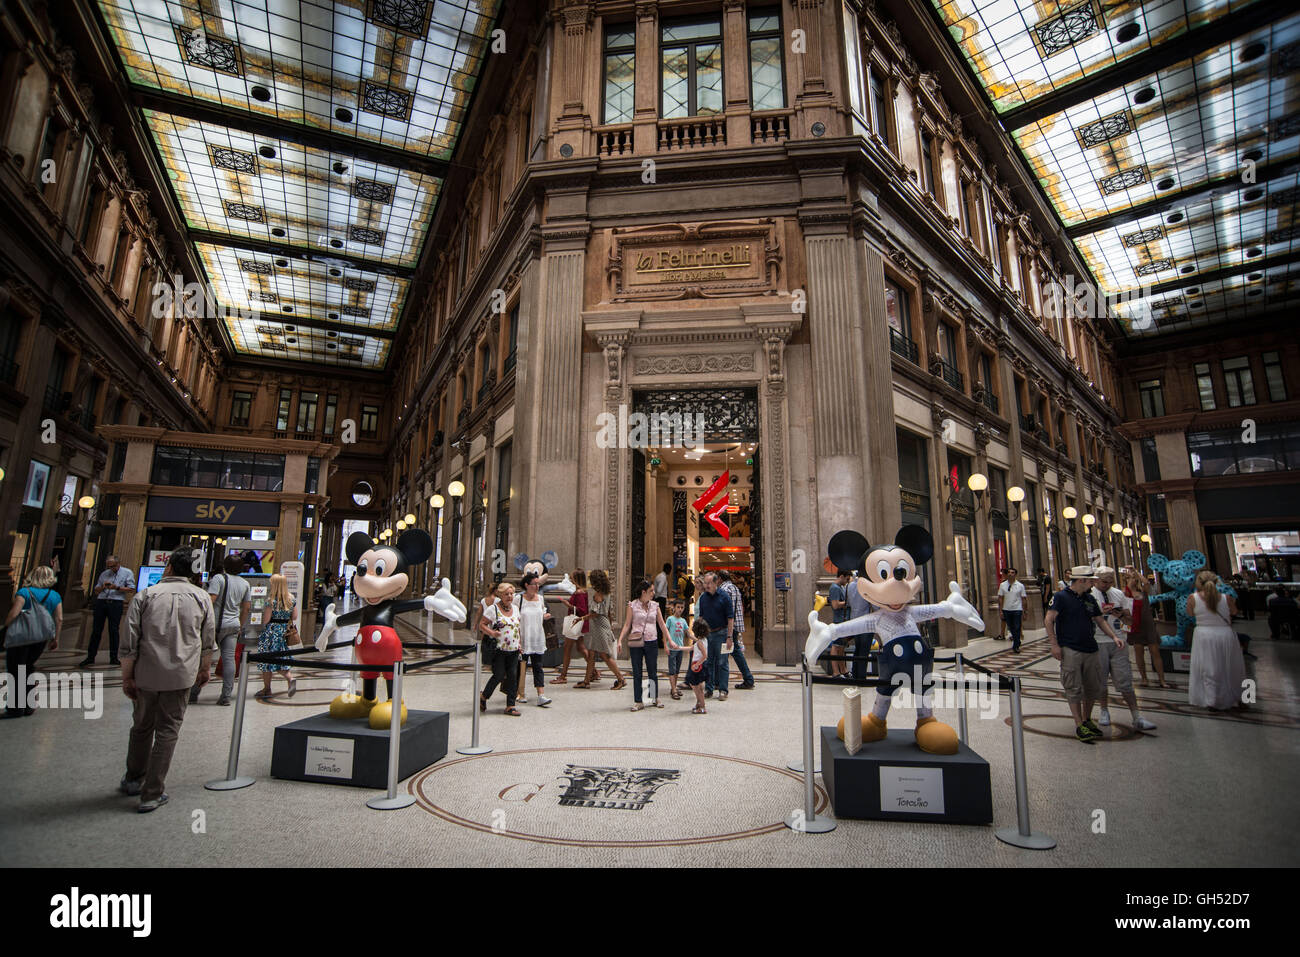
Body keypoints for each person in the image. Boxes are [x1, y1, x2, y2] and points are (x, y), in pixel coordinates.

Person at [118, 547, 215, 812]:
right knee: (168, 730)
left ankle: (133, 779)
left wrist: (127, 675)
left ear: (169, 566)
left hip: (146, 673)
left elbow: (129, 641)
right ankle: (152, 793)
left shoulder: (146, 595)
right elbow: (208, 641)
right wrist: (205, 669)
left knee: (141, 726)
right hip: (181, 674)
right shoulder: (202, 598)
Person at [1045, 566, 1122, 743]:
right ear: (1081, 580)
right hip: (1070, 648)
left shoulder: (1089, 599)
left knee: (1092, 687)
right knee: (1073, 686)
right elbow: (1049, 619)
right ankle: (1079, 724)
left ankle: (1087, 719)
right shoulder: (1060, 597)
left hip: (1090, 647)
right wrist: (1054, 644)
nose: (1093, 583)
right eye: (1091, 580)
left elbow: (1099, 620)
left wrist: (1114, 636)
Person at [1090, 567, 1156, 732]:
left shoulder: (1119, 594)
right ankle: (1104, 710)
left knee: (1125, 679)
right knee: (1100, 680)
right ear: (1096, 579)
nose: (1108, 584)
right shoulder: (1089, 595)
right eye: (1104, 581)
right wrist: (1098, 613)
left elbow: (1130, 621)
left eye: (1110, 581)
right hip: (1097, 641)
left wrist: (1119, 615)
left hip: (1119, 641)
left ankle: (1136, 715)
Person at [3, 565, 62, 718]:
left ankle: (15, 708)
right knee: (28, 668)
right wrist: (56, 638)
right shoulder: (55, 595)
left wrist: (6, 627)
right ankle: (29, 705)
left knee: (16, 670)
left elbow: (14, 613)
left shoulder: (24, 592)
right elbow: (59, 618)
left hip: (21, 636)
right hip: (40, 637)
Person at [195, 555, 252, 705]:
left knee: (203, 658)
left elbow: (210, 600)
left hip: (215, 625)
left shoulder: (219, 579)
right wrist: (240, 624)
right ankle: (226, 696)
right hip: (233, 625)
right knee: (229, 659)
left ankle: (194, 693)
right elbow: (246, 608)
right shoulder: (245, 584)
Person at [1187, 570, 1247, 712]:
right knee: (1233, 667)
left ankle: (1212, 700)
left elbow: (1190, 613)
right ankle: (1242, 698)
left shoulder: (1193, 598)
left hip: (1204, 635)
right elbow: (1234, 612)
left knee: (1208, 668)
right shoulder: (1226, 597)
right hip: (1225, 634)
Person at [617, 577, 671, 710]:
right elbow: (627, 624)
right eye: (651, 591)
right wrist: (620, 640)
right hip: (637, 642)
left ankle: (654, 697)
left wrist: (669, 640)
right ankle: (638, 700)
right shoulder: (632, 605)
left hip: (651, 640)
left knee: (652, 670)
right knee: (637, 671)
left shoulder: (655, 606)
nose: (653, 593)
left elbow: (662, 624)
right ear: (643, 592)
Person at [81, 555, 135, 667]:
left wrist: (117, 588)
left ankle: (114, 657)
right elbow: (96, 590)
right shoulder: (104, 574)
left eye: (113, 566)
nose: (111, 568)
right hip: (102, 602)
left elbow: (131, 589)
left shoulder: (127, 572)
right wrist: (103, 587)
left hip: (116, 603)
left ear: (118, 563)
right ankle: (90, 657)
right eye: (109, 566)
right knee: (96, 630)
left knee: (114, 630)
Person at [576, 569, 624, 689]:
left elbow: (595, 614)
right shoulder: (606, 593)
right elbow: (608, 612)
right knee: (591, 654)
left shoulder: (598, 594)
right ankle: (586, 681)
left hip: (599, 627)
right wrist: (610, 625)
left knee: (605, 655)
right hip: (601, 626)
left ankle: (621, 679)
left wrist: (581, 619)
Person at [480, 582, 522, 716]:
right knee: (498, 675)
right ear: (500, 595)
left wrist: (519, 642)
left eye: (511, 594)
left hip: (514, 649)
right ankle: (484, 696)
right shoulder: (493, 609)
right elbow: (482, 625)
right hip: (499, 649)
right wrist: (492, 633)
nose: (509, 596)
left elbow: (517, 627)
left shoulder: (515, 608)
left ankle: (510, 705)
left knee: (512, 676)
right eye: (506, 594)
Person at [255, 573, 297, 699]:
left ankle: (267, 688)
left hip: (271, 632)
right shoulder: (291, 599)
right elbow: (294, 617)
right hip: (283, 631)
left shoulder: (271, 601)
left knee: (267, 661)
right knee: (281, 658)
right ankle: (289, 677)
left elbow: (266, 620)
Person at [1125, 571, 1169, 688]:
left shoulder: (1143, 592)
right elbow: (1126, 593)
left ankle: (1162, 679)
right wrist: (1130, 580)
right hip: (1135, 625)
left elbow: (1146, 583)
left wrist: (1135, 571)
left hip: (1148, 624)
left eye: (1134, 578)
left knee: (1155, 651)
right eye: (1130, 578)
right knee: (1138, 652)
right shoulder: (1127, 594)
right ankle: (1144, 678)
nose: (1133, 580)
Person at [515, 571, 552, 707]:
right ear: (526, 585)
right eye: (534, 584)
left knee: (538, 666)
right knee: (521, 667)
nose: (537, 587)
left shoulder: (540, 599)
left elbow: (541, 613)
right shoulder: (518, 599)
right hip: (523, 638)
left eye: (538, 584)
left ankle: (541, 695)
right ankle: (520, 693)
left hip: (537, 637)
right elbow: (514, 616)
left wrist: (545, 616)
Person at [697, 572, 734, 700]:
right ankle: (709, 688)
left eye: (708, 583)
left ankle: (723, 690)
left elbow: (730, 618)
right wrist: (698, 635)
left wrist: (729, 637)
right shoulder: (703, 598)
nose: (706, 586)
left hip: (721, 634)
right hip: (707, 635)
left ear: (715, 582)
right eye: (705, 583)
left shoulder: (724, 597)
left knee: (722, 662)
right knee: (708, 662)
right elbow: (701, 617)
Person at [717, 570, 755, 690]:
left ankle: (720, 681)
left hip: (728, 627)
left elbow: (727, 610)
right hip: (734, 625)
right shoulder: (734, 587)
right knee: (734, 652)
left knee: (727, 653)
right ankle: (748, 679)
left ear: (720, 578)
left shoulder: (724, 589)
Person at [553, 569, 589, 684]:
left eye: (572, 577)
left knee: (567, 648)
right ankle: (593, 671)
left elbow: (582, 610)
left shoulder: (579, 593)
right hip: (578, 623)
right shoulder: (582, 591)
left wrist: (568, 605)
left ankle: (563, 676)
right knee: (580, 647)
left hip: (575, 623)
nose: (570, 579)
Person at [997, 567, 1028, 653]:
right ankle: (1017, 640)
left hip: (1017, 609)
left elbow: (1024, 599)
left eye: (1012, 572)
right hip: (1006, 609)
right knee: (1011, 627)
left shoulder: (1020, 586)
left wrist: (1025, 611)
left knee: (1017, 627)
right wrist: (1000, 610)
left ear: (1015, 574)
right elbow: (1000, 598)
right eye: (1009, 572)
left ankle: (1016, 645)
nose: (1010, 574)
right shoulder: (1003, 585)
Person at [664, 598, 689, 699]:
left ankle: (674, 686)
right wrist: (666, 645)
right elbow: (665, 632)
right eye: (678, 607)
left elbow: (687, 632)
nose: (680, 609)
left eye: (682, 607)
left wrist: (697, 639)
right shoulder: (670, 619)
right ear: (674, 608)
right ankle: (673, 689)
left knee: (677, 669)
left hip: (680, 648)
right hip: (671, 648)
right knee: (672, 669)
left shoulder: (683, 621)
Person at [827, 569, 851, 677]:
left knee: (841, 646)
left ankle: (843, 670)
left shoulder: (840, 587)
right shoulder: (835, 588)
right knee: (836, 646)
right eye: (846, 579)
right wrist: (847, 602)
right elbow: (835, 605)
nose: (847, 581)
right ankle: (836, 672)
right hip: (839, 620)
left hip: (843, 620)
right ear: (841, 576)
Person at [685, 617, 710, 714]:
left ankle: (702, 706)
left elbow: (704, 655)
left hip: (697, 666)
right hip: (702, 666)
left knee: (696, 687)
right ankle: (699, 704)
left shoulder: (699, 643)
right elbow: (694, 646)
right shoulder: (703, 640)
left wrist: (697, 665)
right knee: (699, 686)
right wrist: (679, 647)